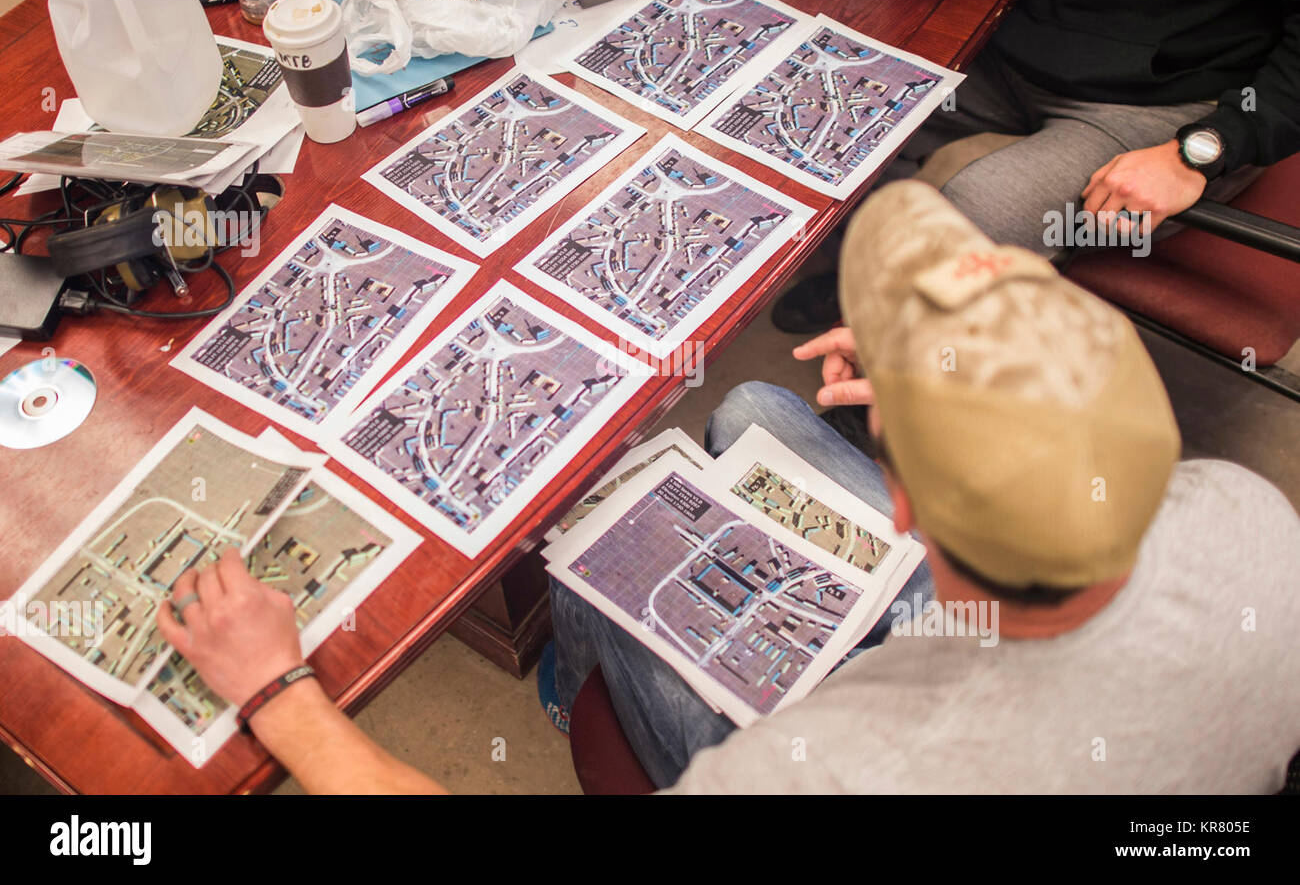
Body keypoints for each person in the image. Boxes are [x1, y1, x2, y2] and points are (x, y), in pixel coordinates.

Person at [160, 182, 1300, 793]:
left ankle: (574, 683)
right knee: (756, 415)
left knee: (616, 528)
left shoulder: (829, 774)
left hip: (948, 731)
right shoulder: (1244, 512)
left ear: (902, 510)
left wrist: (280, 692)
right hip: (1070, 684)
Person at [772, 0, 1300, 333]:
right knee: (836, 114)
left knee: (972, 220)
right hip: (1017, 43)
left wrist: (1204, 151)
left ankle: (882, 418)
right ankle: (856, 277)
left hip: (1175, 102)